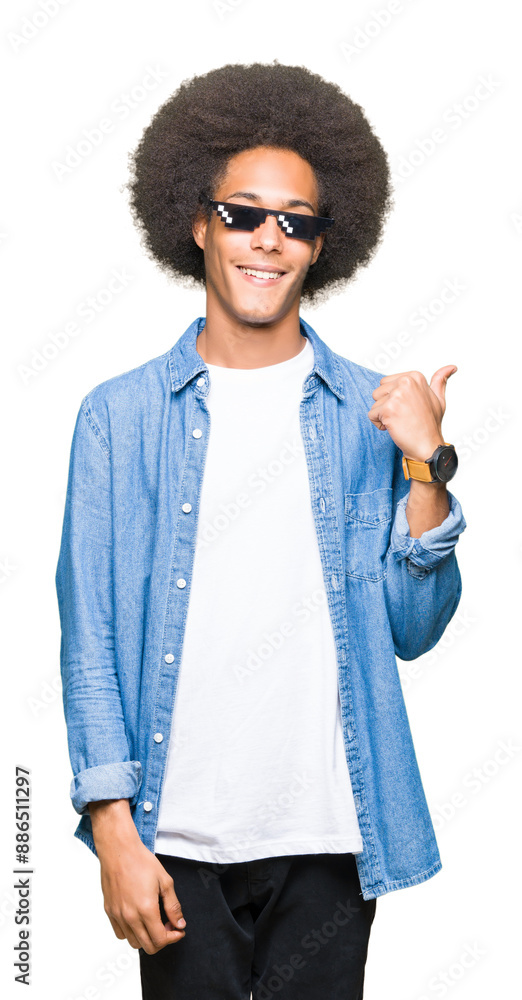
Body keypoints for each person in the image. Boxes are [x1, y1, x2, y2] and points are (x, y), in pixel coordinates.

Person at [55, 61, 467, 1000]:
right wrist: (112, 832)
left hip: (329, 839)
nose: (267, 241)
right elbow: (91, 645)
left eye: (296, 222)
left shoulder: (375, 411)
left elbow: (414, 627)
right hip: (174, 842)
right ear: (197, 223)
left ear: (325, 244)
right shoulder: (119, 420)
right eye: (243, 214)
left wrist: (425, 465)